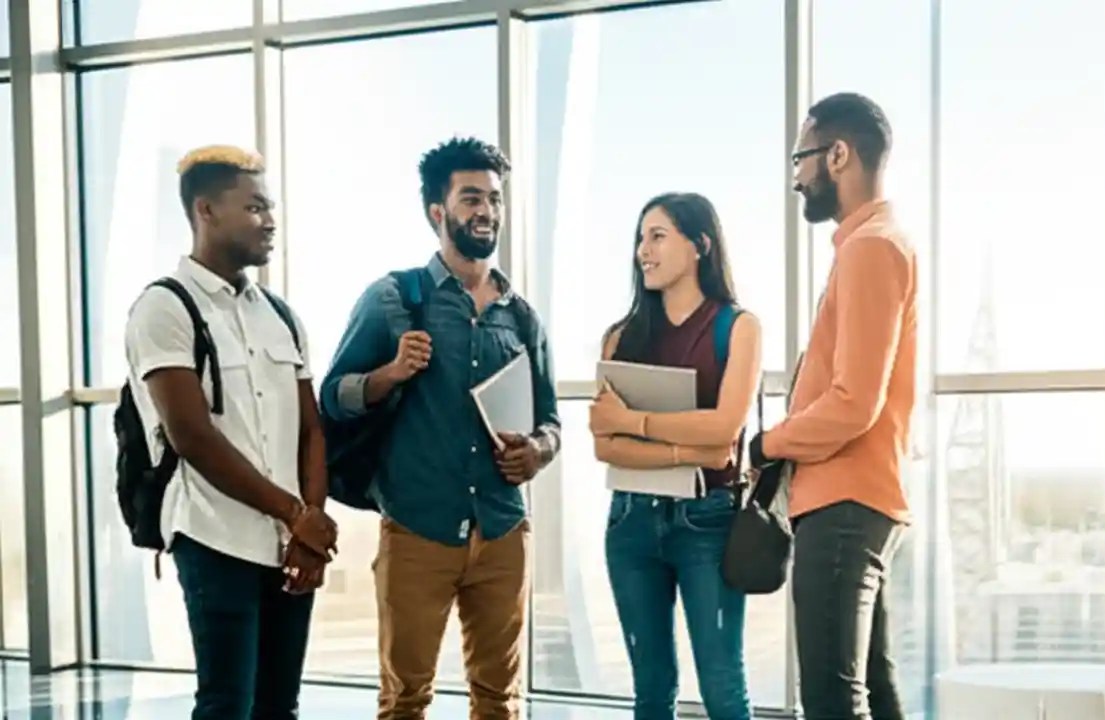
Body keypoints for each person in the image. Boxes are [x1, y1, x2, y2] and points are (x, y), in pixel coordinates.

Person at [320, 137, 561, 720]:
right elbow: (332, 397)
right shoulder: (393, 300)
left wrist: (537, 451)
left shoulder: (521, 316)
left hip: (503, 532)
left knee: (501, 701)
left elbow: (551, 419)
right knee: (404, 700)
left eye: (495, 199)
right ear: (438, 212)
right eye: (471, 197)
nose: (487, 211)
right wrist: (389, 373)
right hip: (417, 531)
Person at [124, 145, 337, 720]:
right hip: (214, 537)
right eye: (255, 207)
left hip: (292, 540)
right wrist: (299, 515)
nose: (270, 221)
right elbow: (193, 437)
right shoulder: (164, 308)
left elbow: (311, 430)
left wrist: (309, 526)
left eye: (271, 208)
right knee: (226, 705)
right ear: (206, 211)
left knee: (278, 707)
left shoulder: (280, 314)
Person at [748, 93, 918, 720]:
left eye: (802, 157)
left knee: (830, 697)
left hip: (846, 503)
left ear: (837, 154)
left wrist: (770, 443)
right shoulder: (874, 243)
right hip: (859, 498)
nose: (796, 176)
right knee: (868, 683)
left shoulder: (871, 247)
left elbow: (853, 403)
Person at [590, 192, 762, 720]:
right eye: (641, 238)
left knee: (722, 689)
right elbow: (605, 444)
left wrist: (634, 424)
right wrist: (691, 448)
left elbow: (726, 428)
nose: (643, 250)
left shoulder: (738, 327)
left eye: (658, 235)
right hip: (631, 522)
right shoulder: (620, 336)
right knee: (651, 691)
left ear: (700, 245)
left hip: (707, 523)